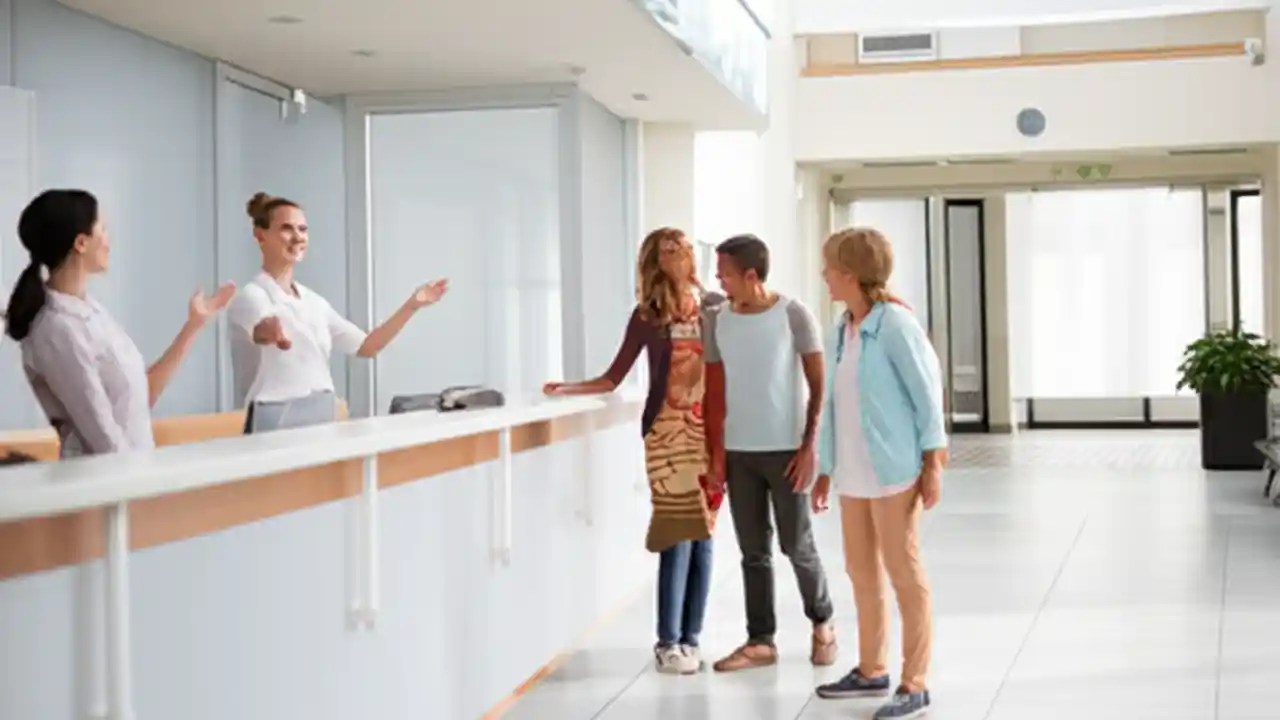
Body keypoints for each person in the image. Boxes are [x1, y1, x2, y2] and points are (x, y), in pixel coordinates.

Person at [544, 227, 726, 675]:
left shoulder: (716, 309)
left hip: (709, 432)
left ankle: (692, 638)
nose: (679, 254)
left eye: (683, 246)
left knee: (703, 535)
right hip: (667, 433)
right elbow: (613, 377)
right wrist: (566, 388)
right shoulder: (648, 315)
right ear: (654, 260)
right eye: (668, 249)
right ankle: (668, 641)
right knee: (675, 531)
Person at [811, 227, 946, 720]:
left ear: (850, 274)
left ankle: (915, 683)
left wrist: (933, 462)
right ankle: (872, 669)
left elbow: (927, 398)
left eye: (829, 267)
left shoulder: (895, 325)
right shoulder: (841, 328)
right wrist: (825, 469)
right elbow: (833, 404)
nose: (823, 275)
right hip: (853, 473)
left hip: (894, 472)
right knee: (861, 572)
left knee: (904, 572)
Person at [3, 189, 234, 457]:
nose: (109, 240)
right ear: (81, 243)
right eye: (103, 229)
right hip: (103, 488)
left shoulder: (91, 311)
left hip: (130, 481)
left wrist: (193, 327)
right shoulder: (56, 329)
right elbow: (105, 441)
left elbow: (138, 399)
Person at [705, 234, 837, 672]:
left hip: (786, 451)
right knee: (752, 552)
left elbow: (819, 386)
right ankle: (760, 641)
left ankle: (823, 624)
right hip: (739, 452)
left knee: (796, 545)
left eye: (724, 272)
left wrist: (809, 447)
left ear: (750, 275)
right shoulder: (717, 320)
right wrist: (717, 456)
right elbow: (715, 393)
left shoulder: (793, 314)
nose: (717, 280)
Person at [228, 192, 448, 432]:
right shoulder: (252, 295)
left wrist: (411, 305)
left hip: (321, 409)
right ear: (261, 236)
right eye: (287, 229)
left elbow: (367, 347)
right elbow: (261, 330)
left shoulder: (314, 302)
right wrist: (274, 334)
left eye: (303, 229)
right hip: (272, 414)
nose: (297, 237)